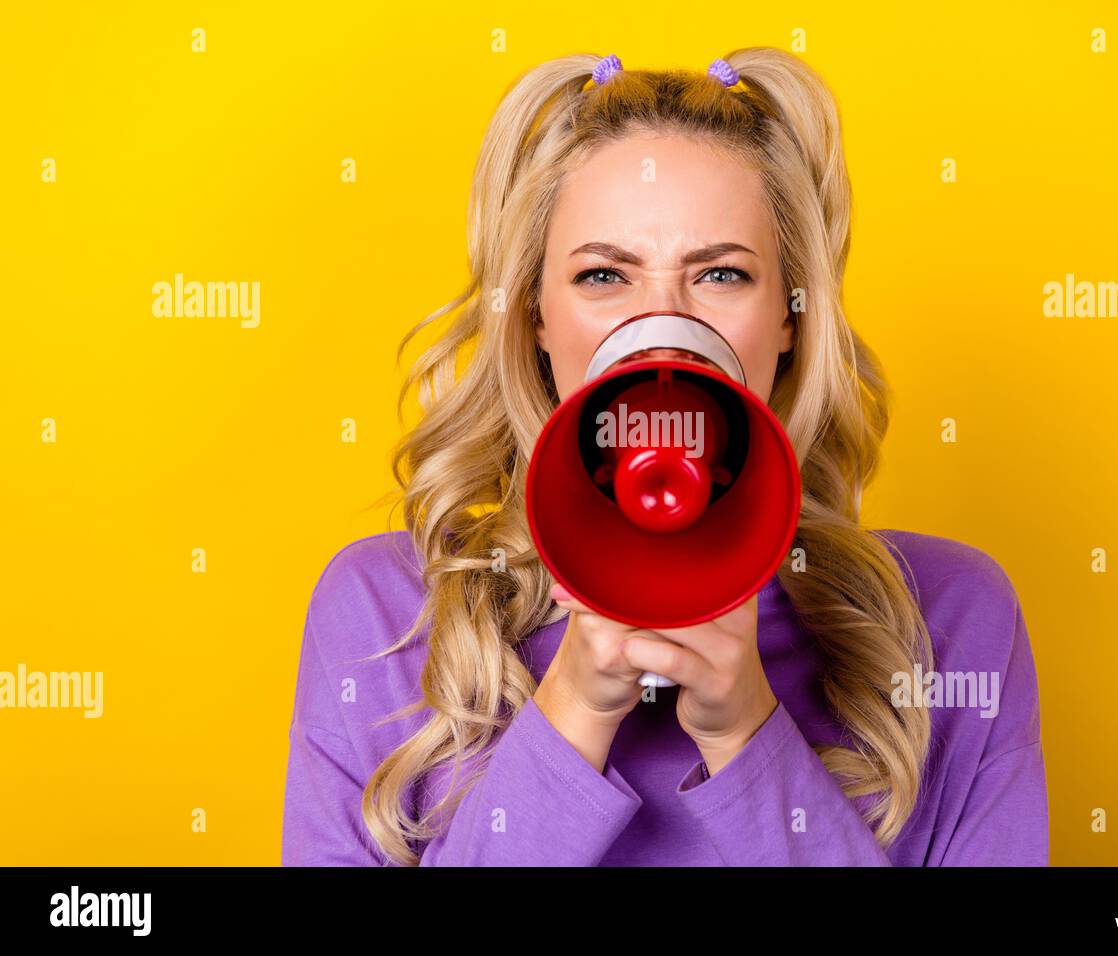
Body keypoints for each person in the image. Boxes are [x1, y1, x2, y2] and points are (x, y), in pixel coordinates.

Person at [281, 48, 1049, 866]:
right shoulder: (385, 616)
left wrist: (750, 738)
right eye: (604, 275)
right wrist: (573, 708)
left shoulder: (945, 623)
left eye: (721, 273)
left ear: (790, 318)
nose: (661, 324)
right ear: (535, 317)